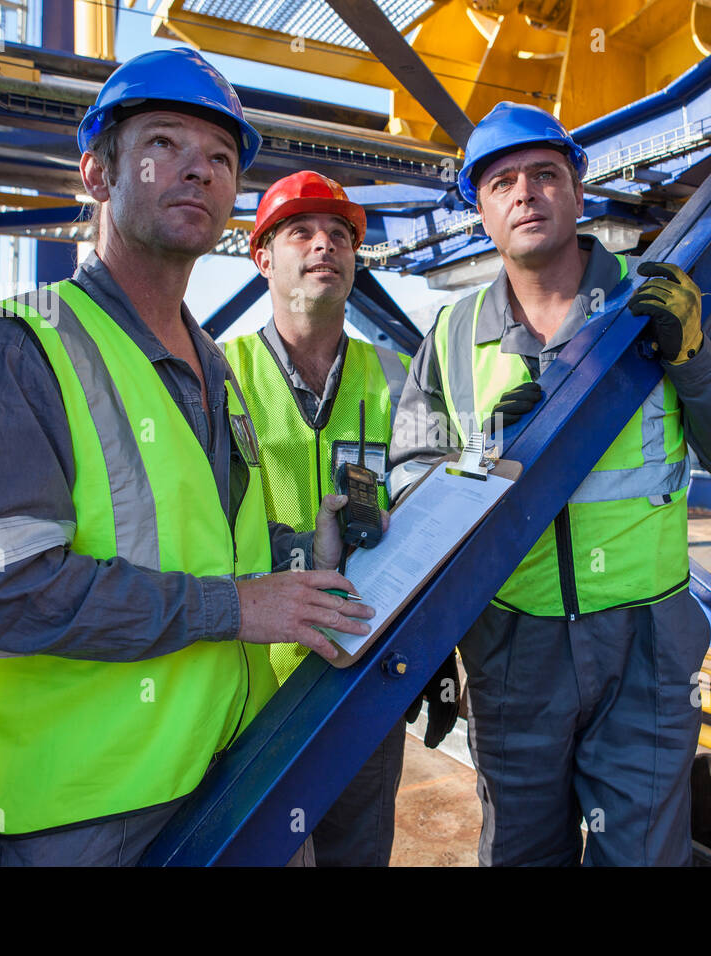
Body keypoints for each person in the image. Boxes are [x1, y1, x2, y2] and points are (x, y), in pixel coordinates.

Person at [0, 48, 374, 867]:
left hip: (233, 769)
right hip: (84, 816)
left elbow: (202, 546)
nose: (198, 170)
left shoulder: (215, 368)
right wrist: (237, 609)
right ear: (96, 173)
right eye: (164, 144)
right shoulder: (14, 352)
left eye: (222, 157)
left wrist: (303, 559)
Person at [388, 102, 711, 866]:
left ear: (577, 187)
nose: (525, 193)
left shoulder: (657, 303)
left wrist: (694, 357)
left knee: (637, 856)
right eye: (501, 182)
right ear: (481, 209)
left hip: (644, 644)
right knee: (521, 854)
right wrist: (479, 459)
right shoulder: (453, 331)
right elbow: (408, 483)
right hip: (512, 645)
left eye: (544, 175)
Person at [224, 170, 458, 866]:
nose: (325, 245)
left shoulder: (400, 377)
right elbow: (193, 527)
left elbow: (434, 522)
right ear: (262, 258)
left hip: (367, 675)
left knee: (358, 851)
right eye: (301, 231)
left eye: (340, 235)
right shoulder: (217, 374)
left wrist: (438, 657)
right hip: (249, 683)